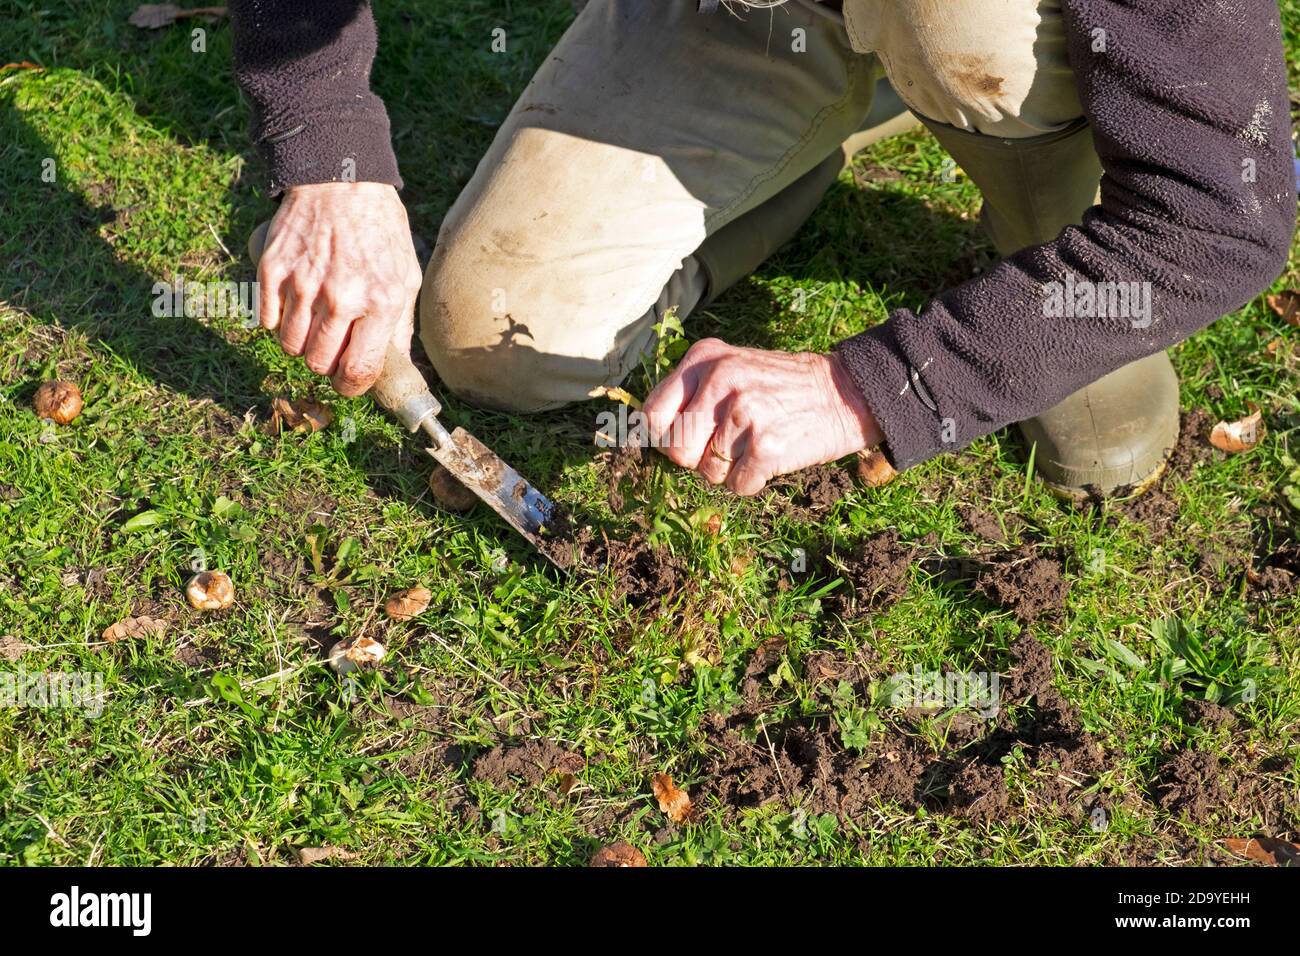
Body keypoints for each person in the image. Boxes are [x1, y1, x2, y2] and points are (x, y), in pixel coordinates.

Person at [231, 0, 1295, 500]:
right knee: (493, 340)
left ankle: (1042, 226)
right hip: (745, 12)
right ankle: (816, 124)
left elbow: (1221, 216)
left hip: (997, 30)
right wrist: (327, 154)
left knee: (957, 32)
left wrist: (865, 387)